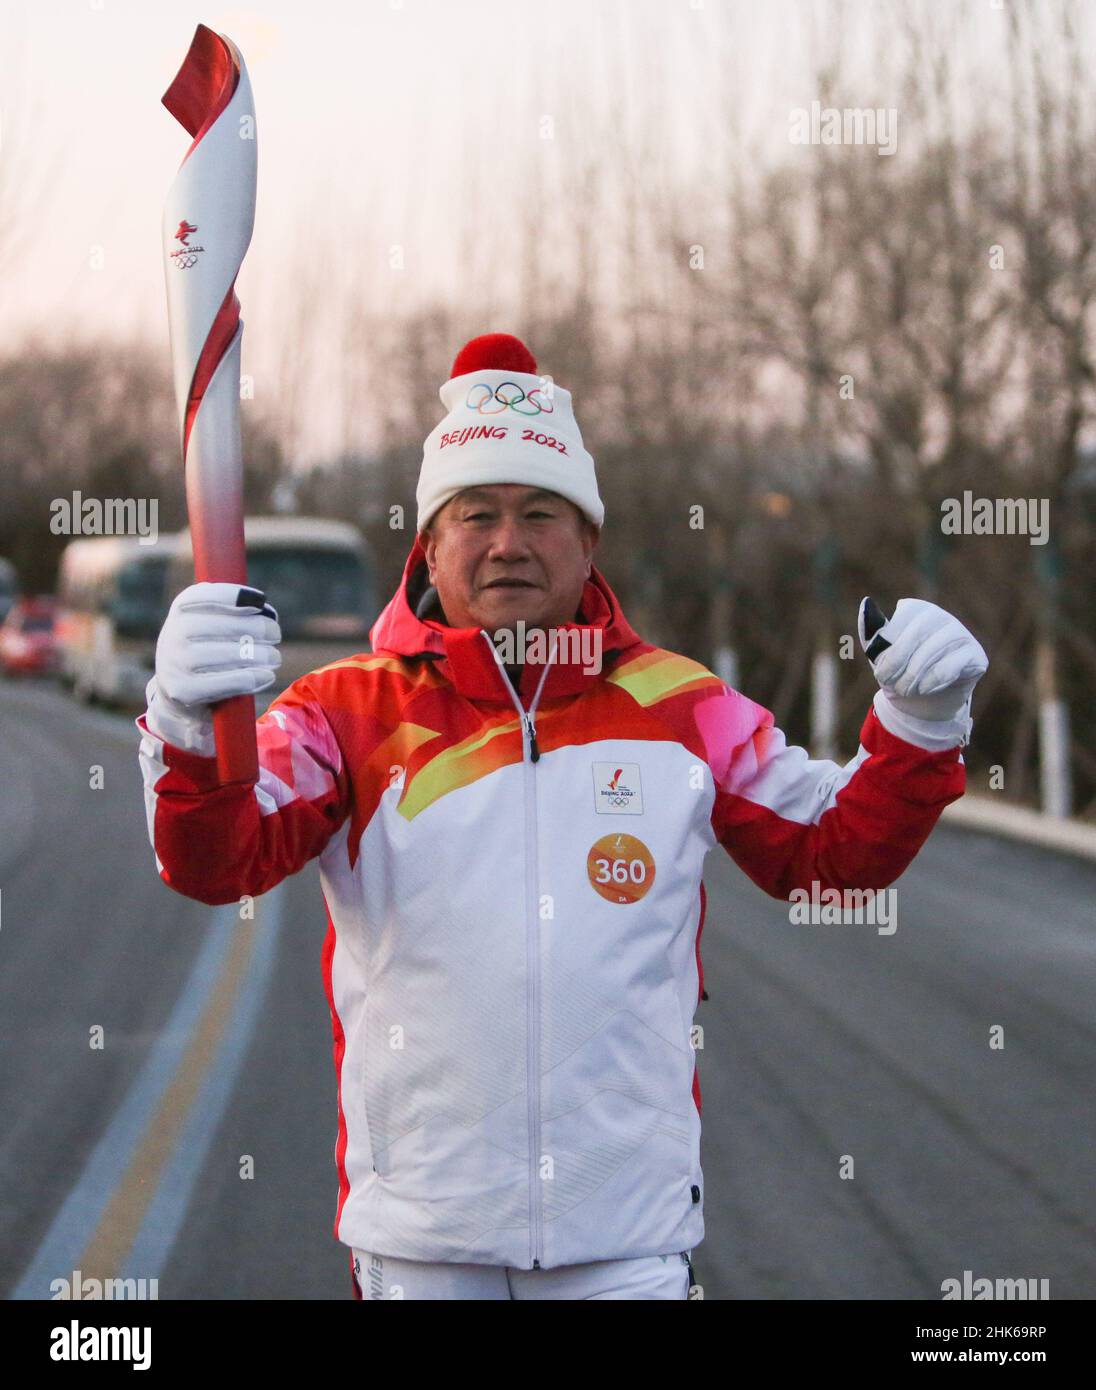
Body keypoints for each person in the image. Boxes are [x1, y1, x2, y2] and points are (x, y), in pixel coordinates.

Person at [137, 332, 988, 1300]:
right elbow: (217, 864)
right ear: (431, 542)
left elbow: (833, 861)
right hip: (423, 1238)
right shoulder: (345, 709)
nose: (508, 541)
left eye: (541, 512)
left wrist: (919, 727)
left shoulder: (683, 705)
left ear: (587, 543)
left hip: (622, 1240)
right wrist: (189, 728)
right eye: (476, 515)